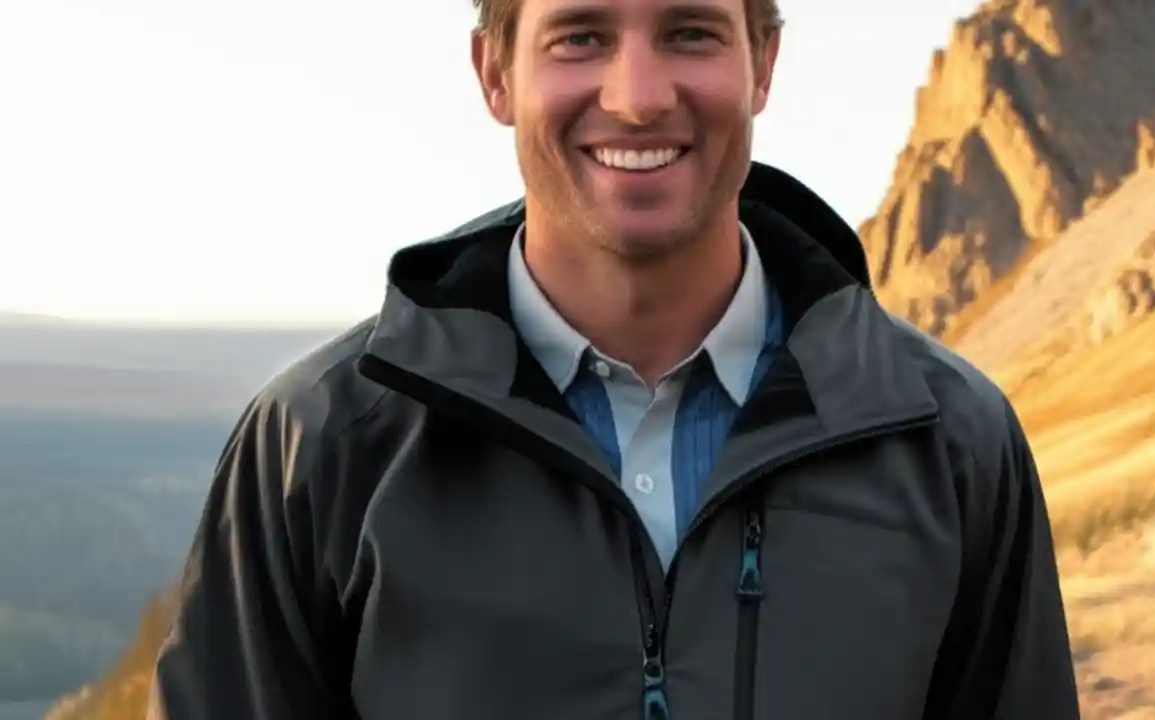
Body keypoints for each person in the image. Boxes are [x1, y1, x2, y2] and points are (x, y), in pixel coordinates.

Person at [147, 0, 1081, 717]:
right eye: (581, 36)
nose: (638, 97)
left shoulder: (951, 445)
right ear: (494, 73)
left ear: (764, 64)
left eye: (688, 33)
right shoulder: (321, 446)